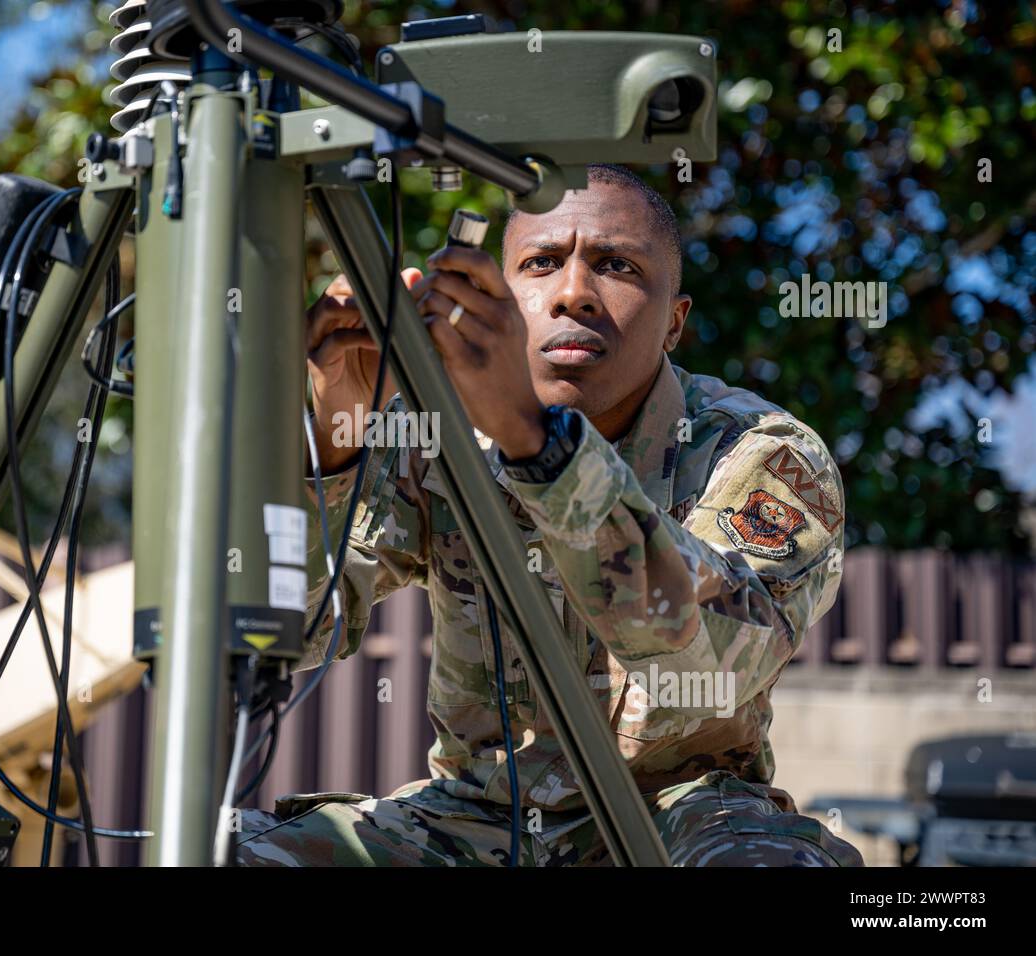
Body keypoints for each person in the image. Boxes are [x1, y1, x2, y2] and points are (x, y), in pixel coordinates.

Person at [235, 164, 863, 867]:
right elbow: (282, 636)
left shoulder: (759, 451)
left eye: (615, 265)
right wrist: (329, 449)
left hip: (680, 814)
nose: (572, 294)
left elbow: (709, 659)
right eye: (539, 264)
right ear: (500, 297)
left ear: (675, 323)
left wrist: (540, 447)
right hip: (470, 822)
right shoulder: (430, 433)